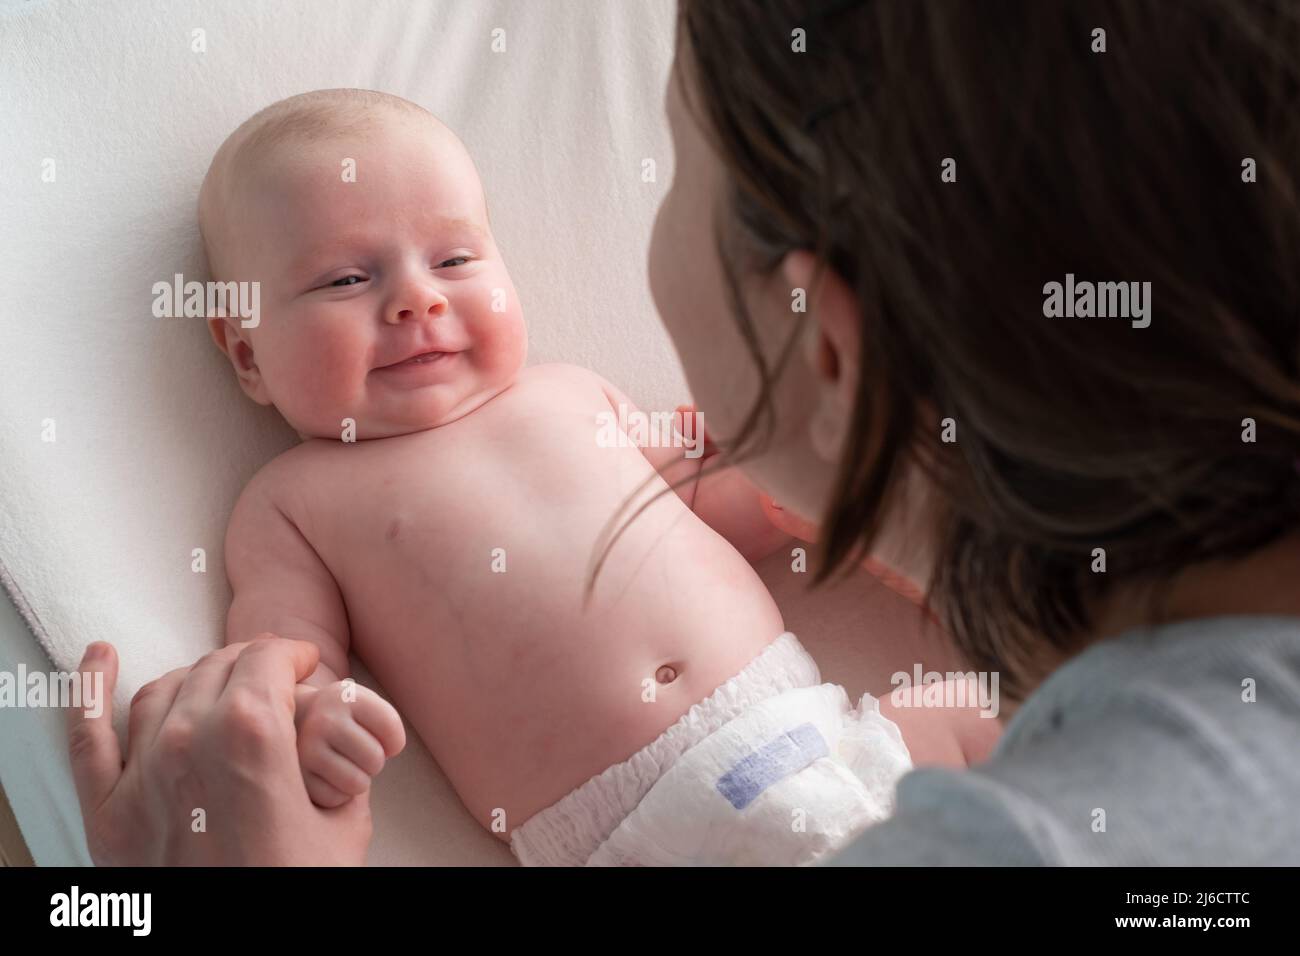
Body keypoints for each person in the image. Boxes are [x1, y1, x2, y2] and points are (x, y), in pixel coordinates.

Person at [68, 0, 1300, 864]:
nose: (415, 302)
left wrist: (810, 493)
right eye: (346, 280)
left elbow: (709, 503)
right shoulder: (294, 500)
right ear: (242, 350)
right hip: (638, 822)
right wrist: (317, 717)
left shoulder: (571, 394)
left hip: (817, 724)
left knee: (978, 706)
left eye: (455, 258)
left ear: (833, 358)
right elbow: (282, 656)